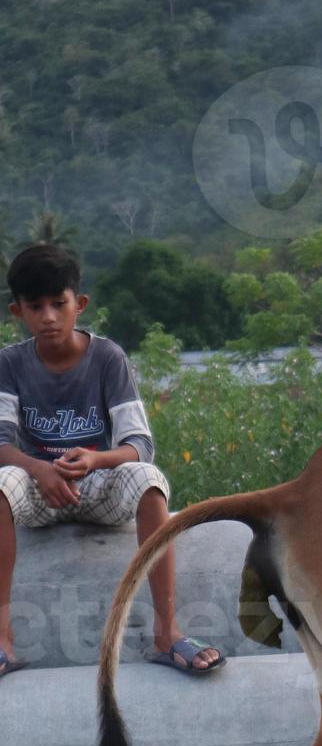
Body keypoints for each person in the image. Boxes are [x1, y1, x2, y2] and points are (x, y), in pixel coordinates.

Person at [0, 240, 224, 680]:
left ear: (78, 304)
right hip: (38, 489)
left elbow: (138, 443)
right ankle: (2, 642)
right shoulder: (9, 363)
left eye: (58, 304)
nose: (48, 317)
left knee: (149, 479)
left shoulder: (106, 357)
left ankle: (167, 634)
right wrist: (40, 468)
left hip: (95, 484)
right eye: (36, 306)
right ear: (17, 312)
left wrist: (96, 459)